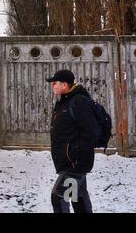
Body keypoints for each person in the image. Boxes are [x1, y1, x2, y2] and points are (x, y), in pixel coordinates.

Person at [46, 69, 97, 213]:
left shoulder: (79, 102)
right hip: (69, 162)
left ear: (64, 85)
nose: (53, 86)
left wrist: (74, 155)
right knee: (77, 197)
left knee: (59, 197)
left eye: (55, 83)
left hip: (75, 164)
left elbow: (90, 132)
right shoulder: (65, 101)